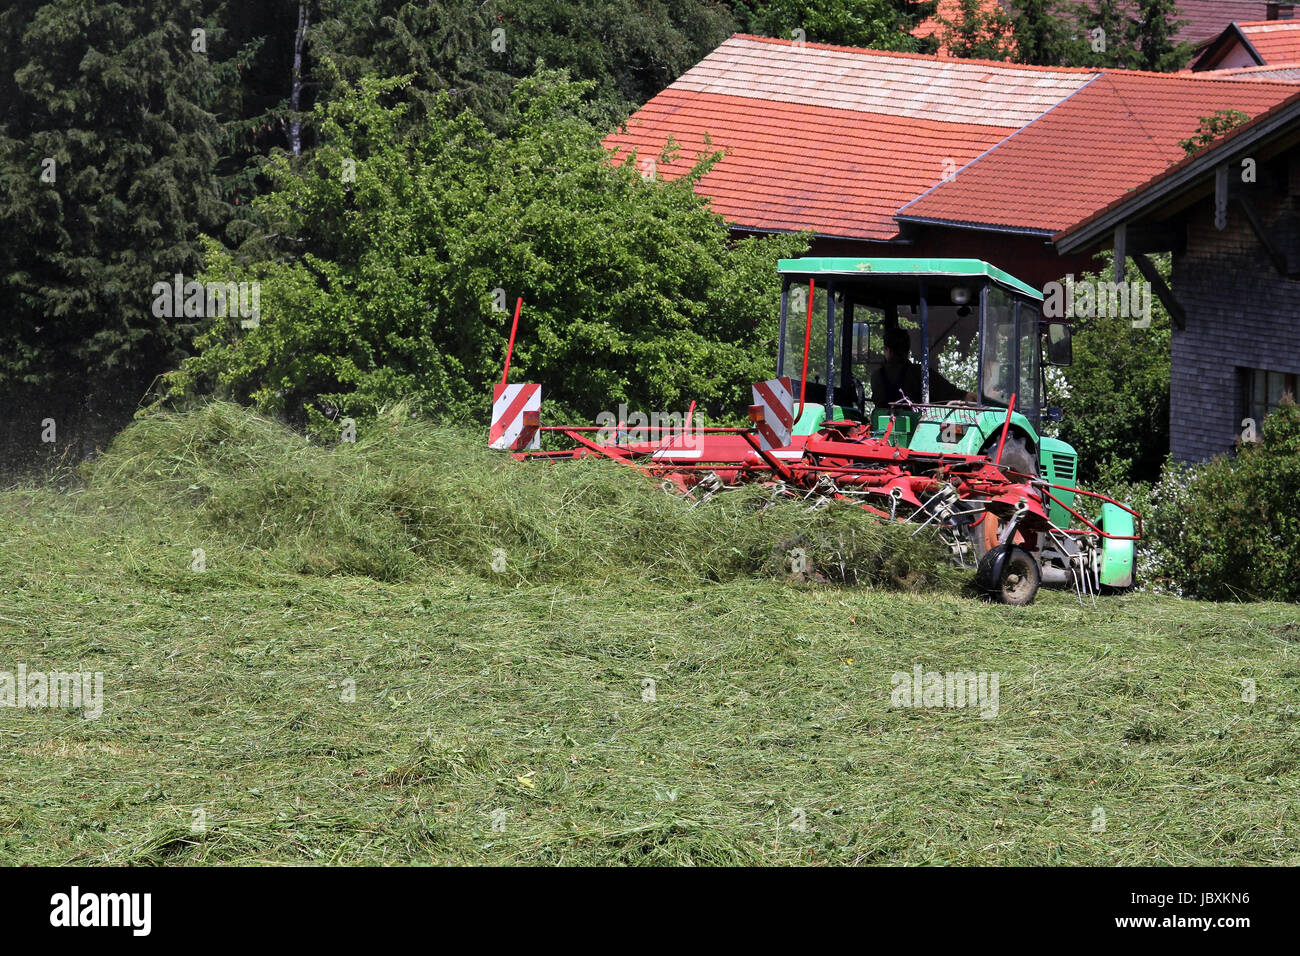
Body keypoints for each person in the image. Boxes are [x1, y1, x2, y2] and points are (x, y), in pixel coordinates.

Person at [870, 328, 973, 408]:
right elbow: (951, 394)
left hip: (883, 430)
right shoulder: (922, 374)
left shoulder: (876, 377)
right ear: (907, 349)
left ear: (887, 350)